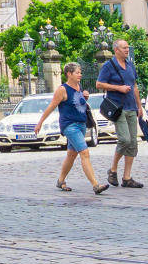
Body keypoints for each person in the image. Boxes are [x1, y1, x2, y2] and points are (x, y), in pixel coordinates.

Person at [35, 63, 109, 195]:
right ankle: (95, 185)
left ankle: (61, 181)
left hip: (81, 124)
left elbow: (78, 104)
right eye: (77, 72)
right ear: (69, 74)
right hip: (70, 125)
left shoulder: (78, 87)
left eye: (80, 72)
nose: (80, 74)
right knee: (84, 153)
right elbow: (51, 106)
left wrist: (84, 97)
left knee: (71, 154)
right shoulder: (62, 89)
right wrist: (40, 122)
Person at [97, 38, 145, 188]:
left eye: (128, 48)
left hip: (131, 107)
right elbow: (99, 84)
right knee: (124, 139)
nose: (127, 50)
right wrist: (119, 88)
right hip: (118, 107)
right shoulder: (108, 65)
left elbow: (134, 86)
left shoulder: (130, 65)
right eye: (124, 48)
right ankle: (112, 169)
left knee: (133, 143)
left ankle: (127, 177)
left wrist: (139, 106)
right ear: (116, 50)